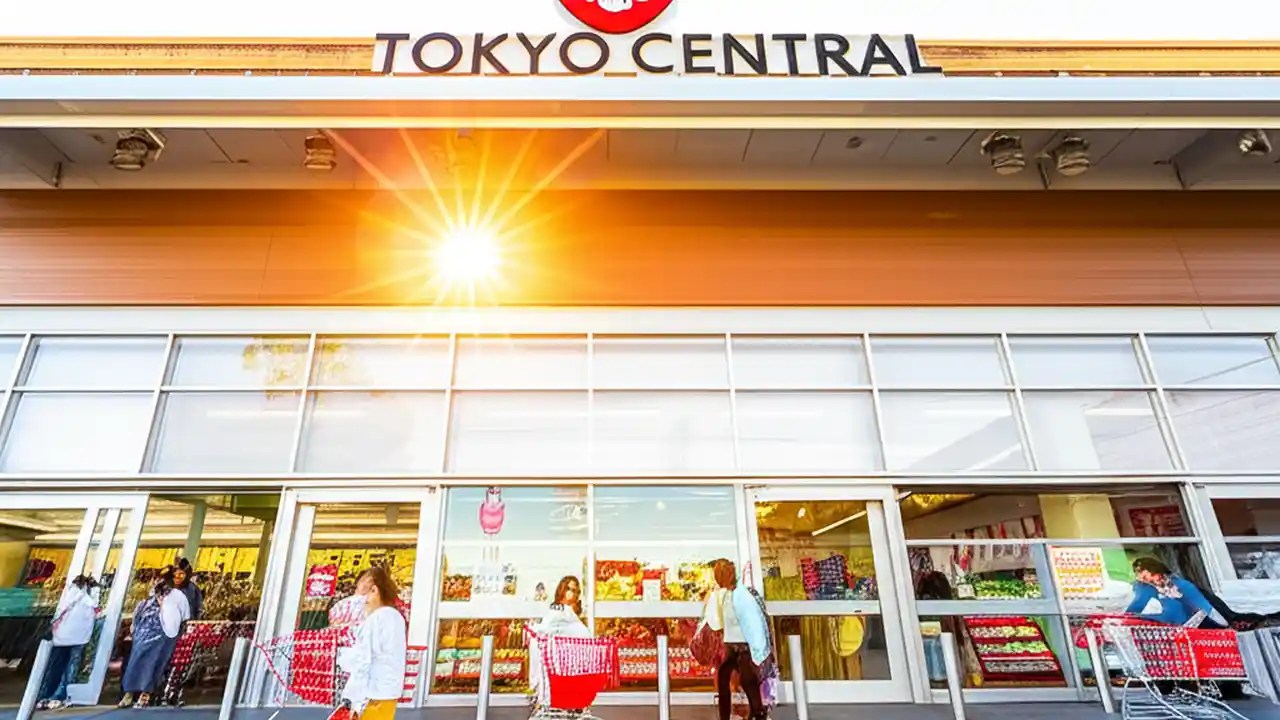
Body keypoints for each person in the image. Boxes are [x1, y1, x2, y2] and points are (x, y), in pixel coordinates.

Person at [702, 559, 772, 720]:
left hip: (743, 646)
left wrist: (759, 651)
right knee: (727, 680)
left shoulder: (741, 596)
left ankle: (758, 713)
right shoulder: (726, 595)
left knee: (747, 681)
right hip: (732, 646)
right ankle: (732, 715)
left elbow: (753, 623)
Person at [337, 567, 407, 720]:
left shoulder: (375, 620)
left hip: (371, 695)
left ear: (374, 590)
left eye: (360, 591)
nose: (358, 599)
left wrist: (353, 699)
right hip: (388, 693)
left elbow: (363, 661)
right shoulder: (396, 617)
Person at [120, 570, 191, 708]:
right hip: (145, 635)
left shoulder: (177, 596)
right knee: (138, 665)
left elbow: (183, 618)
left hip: (162, 637)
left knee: (153, 665)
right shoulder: (150, 598)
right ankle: (131, 694)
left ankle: (143, 695)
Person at [35, 575, 99, 711]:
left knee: (55, 667)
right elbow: (96, 613)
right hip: (79, 638)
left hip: (61, 638)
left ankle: (45, 695)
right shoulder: (88, 600)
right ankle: (62, 695)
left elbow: (59, 614)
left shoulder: (68, 596)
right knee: (71, 668)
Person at [527, 576, 591, 702]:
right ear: (562, 589)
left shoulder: (570, 613)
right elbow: (546, 630)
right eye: (569, 589)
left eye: (576, 590)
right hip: (559, 664)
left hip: (567, 664)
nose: (572, 593)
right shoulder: (558, 611)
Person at [1126, 558, 1223, 627]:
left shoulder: (1181, 585)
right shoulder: (1144, 589)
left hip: (1197, 626)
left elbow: (1206, 611)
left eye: (1151, 575)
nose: (1150, 580)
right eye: (1144, 578)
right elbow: (1135, 608)